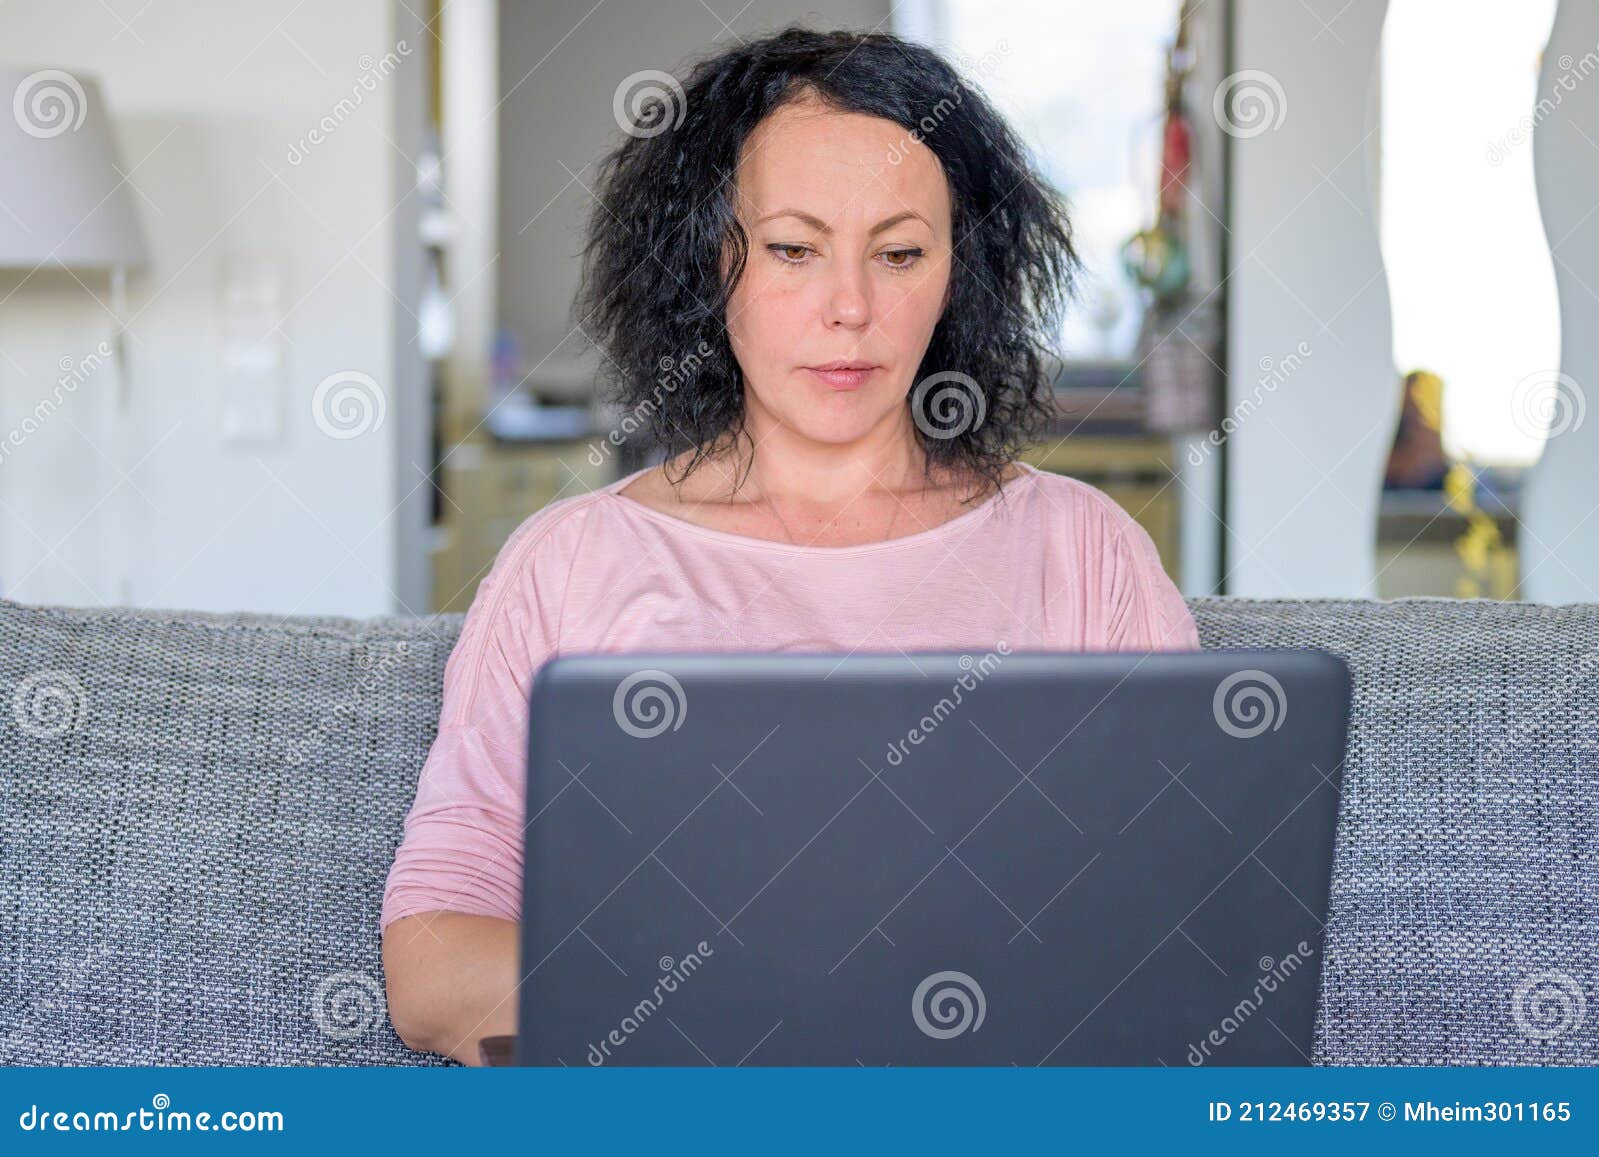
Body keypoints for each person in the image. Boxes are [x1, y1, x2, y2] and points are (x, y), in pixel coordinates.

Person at [381, 25, 1201, 1065]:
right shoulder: (571, 561)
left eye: (900, 253)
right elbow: (433, 963)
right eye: (793, 249)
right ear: (712, 261)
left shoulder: (1082, 550)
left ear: (961, 273)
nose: (850, 308)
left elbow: (1191, 929)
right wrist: (770, 992)